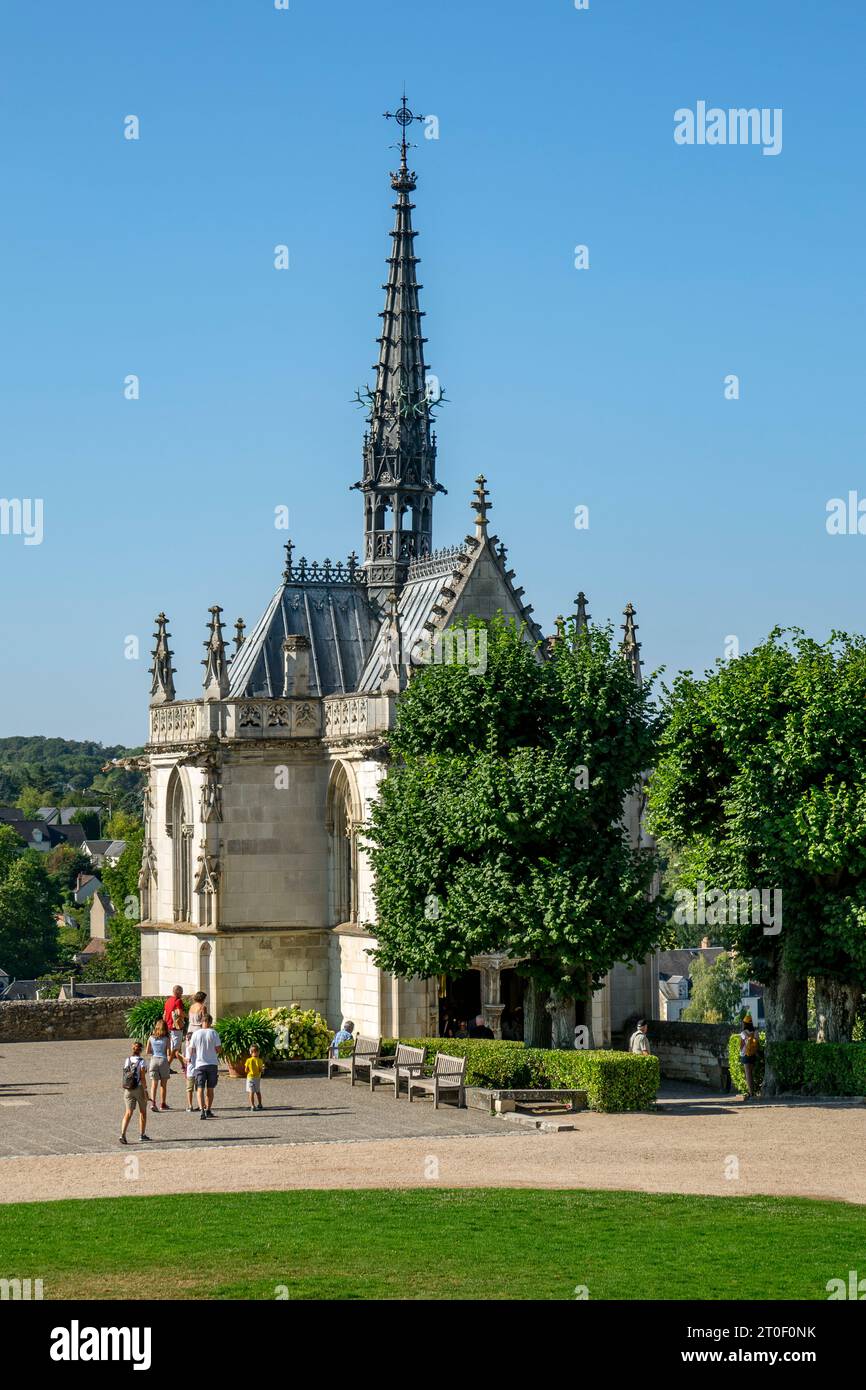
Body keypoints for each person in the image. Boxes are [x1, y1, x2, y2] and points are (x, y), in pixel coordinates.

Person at [188, 1012, 221, 1119]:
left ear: (201, 1022)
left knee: (200, 1088)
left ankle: (202, 1110)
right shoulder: (214, 1033)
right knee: (210, 1088)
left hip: (200, 1064)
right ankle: (208, 1109)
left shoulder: (196, 1034)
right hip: (212, 1063)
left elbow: (191, 1050)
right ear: (210, 1022)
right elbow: (218, 1049)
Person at [120, 1042, 151, 1145]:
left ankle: (123, 1134)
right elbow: (142, 1077)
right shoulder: (142, 1061)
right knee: (142, 1111)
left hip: (128, 1089)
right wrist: (146, 1091)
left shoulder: (127, 1060)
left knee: (128, 1112)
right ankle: (142, 1134)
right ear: (140, 1050)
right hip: (138, 1088)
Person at [146, 1019, 171, 1111]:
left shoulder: (151, 1038)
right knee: (163, 1085)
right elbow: (168, 1052)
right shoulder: (166, 1039)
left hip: (154, 1061)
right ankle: (163, 1103)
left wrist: (154, 1051)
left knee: (154, 1084)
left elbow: (147, 1051)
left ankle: (153, 1103)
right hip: (163, 1060)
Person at [163, 985, 185, 1072]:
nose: (182, 993)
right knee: (175, 1048)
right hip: (176, 1027)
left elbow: (165, 1013)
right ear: (178, 992)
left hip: (168, 1026)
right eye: (181, 991)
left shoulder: (168, 1000)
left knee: (175, 1047)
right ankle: (167, 1066)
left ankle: (183, 1066)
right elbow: (179, 1013)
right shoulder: (178, 1000)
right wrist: (186, 1016)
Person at [739, 1014, 759, 1100]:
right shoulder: (756, 1032)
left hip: (746, 1055)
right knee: (752, 1074)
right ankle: (753, 1092)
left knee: (748, 1075)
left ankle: (751, 1094)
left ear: (745, 1024)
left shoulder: (743, 1033)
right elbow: (758, 1043)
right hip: (753, 1055)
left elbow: (741, 1045)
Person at [245, 1044, 265, 1111]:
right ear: (258, 1052)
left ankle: (252, 1106)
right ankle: (260, 1104)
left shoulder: (248, 1060)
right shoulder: (260, 1061)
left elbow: (246, 1070)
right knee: (258, 1091)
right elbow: (261, 1070)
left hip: (250, 1077)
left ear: (250, 1052)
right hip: (257, 1078)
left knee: (251, 1092)